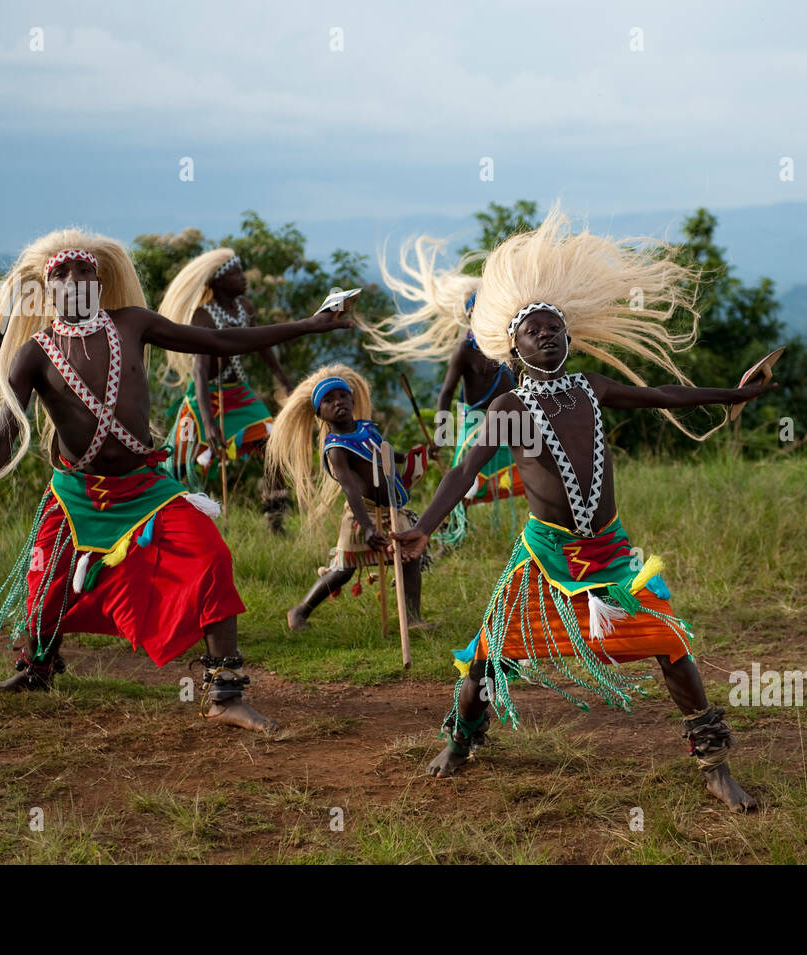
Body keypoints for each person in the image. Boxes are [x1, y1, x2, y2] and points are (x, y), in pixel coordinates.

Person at [392, 207, 775, 812]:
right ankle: (463, 741)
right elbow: (464, 470)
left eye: (555, 326)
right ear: (511, 347)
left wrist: (735, 392)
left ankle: (714, 766)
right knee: (487, 659)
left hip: (612, 553)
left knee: (669, 643)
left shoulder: (592, 388)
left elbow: (659, 396)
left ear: (570, 337)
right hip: (544, 560)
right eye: (533, 329)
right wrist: (421, 529)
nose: (547, 333)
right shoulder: (509, 408)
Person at [0, 229, 352, 732]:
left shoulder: (132, 324)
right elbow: (4, 436)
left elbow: (219, 341)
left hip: (146, 487)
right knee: (46, 581)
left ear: (99, 279)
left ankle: (224, 693)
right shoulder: (34, 354)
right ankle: (37, 668)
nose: (73, 280)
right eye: (60, 274)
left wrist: (307, 326)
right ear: (47, 290)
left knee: (211, 557)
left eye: (83, 270)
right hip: (75, 494)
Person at [363, 237, 524, 547]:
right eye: (479, 310)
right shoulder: (464, 349)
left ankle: (542, 528)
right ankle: (450, 533)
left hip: (512, 420)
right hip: (476, 421)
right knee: (467, 478)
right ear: (469, 315)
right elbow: (447, 392)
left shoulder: (510, 342)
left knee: (526, 470)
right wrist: (441, 432)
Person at [268, 365, 432, 632]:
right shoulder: (335, 448)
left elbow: (384, 454)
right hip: (361, 513)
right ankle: (299, 611)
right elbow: (350, 488)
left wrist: (410, 456)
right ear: (319, 414)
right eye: (329, 401)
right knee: (343, 570)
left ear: (353, 400)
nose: (338, 403)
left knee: (409, 559)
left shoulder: (367, 428)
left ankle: (412, 619)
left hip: (388, 506)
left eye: (342, 397)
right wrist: (367, 527)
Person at [159, 249, 294, 529]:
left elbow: (260, 343)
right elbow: (199, 370)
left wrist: (281, 377)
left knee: (274, 445)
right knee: (181, 463)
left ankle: (275, 517)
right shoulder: (203, 317)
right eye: (235, 274)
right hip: (205, 397)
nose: (243, 279)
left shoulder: (245, 307)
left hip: (239, 392)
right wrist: (208, 422)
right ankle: (180, 519)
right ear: (218, 283)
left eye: (241, 271)